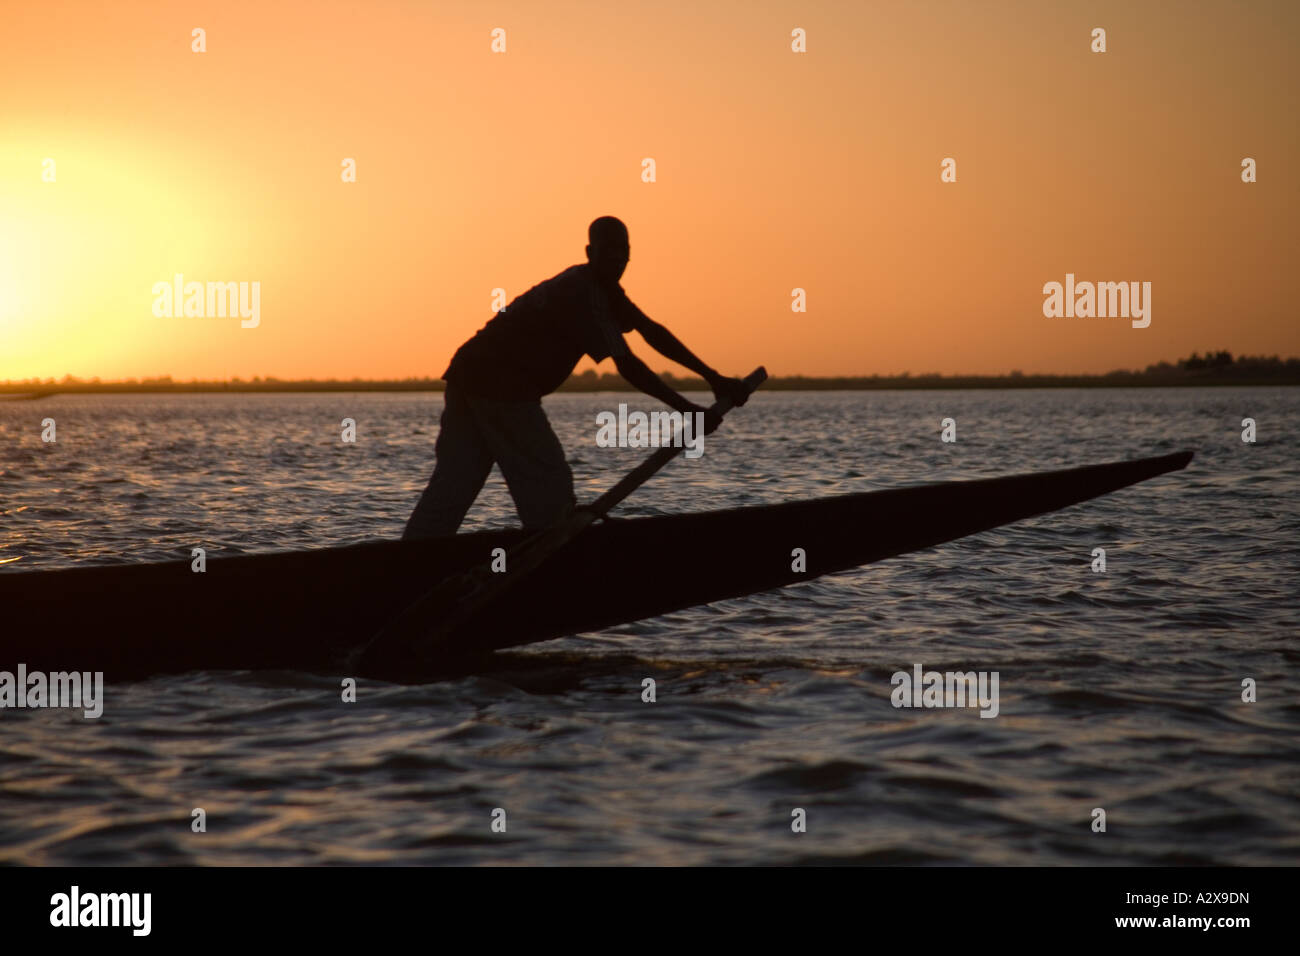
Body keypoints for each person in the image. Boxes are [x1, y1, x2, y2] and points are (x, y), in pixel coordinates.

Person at [402, 216, 750, 539]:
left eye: (623, 254)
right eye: (607, 252)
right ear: (589, 253)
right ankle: (548, 557)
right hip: (499, 385)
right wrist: (686, 409)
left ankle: (416, 557)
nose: (616, 260)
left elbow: (651, 331)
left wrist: (714, 378)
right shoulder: (584, 293)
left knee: (455, 483)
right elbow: (628, 364)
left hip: (469, 373)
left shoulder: (604, 290)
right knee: (547, 486)